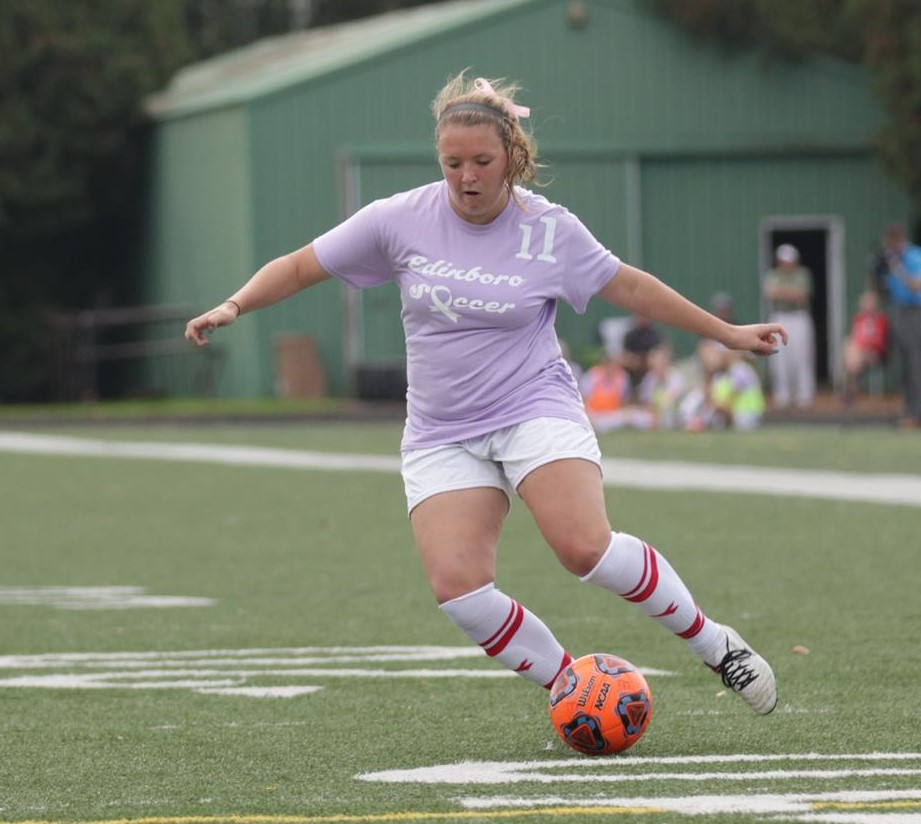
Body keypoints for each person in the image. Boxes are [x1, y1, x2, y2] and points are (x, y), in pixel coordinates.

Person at [184, 72, 786, 716]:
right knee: (459, 589)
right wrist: (234, 304)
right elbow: (303, 264)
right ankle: (573, 690)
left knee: (584, 547)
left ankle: (717, 645)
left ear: (511, 158)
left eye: (481, 161)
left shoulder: (550, 230)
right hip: (442, 430)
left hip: (533, 406)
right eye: (452, 164)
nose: (466, 177)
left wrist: (727, 334)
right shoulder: (399, 218)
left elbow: (633, 289)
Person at [879, 223, 921, 428]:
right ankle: (908, 412)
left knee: (917, 364)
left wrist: (897, 268)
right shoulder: (890, 259)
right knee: (903, 366)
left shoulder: (916, 256)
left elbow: (919, 286)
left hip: (917, 312)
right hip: (898, 310)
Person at [763, 243, 815, 408]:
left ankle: (804, 395)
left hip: (799, 317)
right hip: (780, 317)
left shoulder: (802, 274)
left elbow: (802, 294)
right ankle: (783, 395)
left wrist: (783, 292)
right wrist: (790, 293)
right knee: (779, 357)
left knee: (801, 356)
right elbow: (770, 293)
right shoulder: (773, 274)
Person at [842, 290, 889, 407]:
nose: (865, 305)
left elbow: (880, 342)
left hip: (875, 353)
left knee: (852, 356)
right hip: (859, 354)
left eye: (868, 302)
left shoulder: (881, 320)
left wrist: (866, 348)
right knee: (849, 347)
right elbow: (855, 337)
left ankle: (849, 391)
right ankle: (851, 392)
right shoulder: (859, 319)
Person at [620, 313, 665, 398]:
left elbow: (660, 351)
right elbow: (625, 354)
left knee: (655, 359)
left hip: (649, 363)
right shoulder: (631, 334)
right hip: (634, 363)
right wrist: (633, 359)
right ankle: (625, 395)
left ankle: (650, 394)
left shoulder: (655, 333)